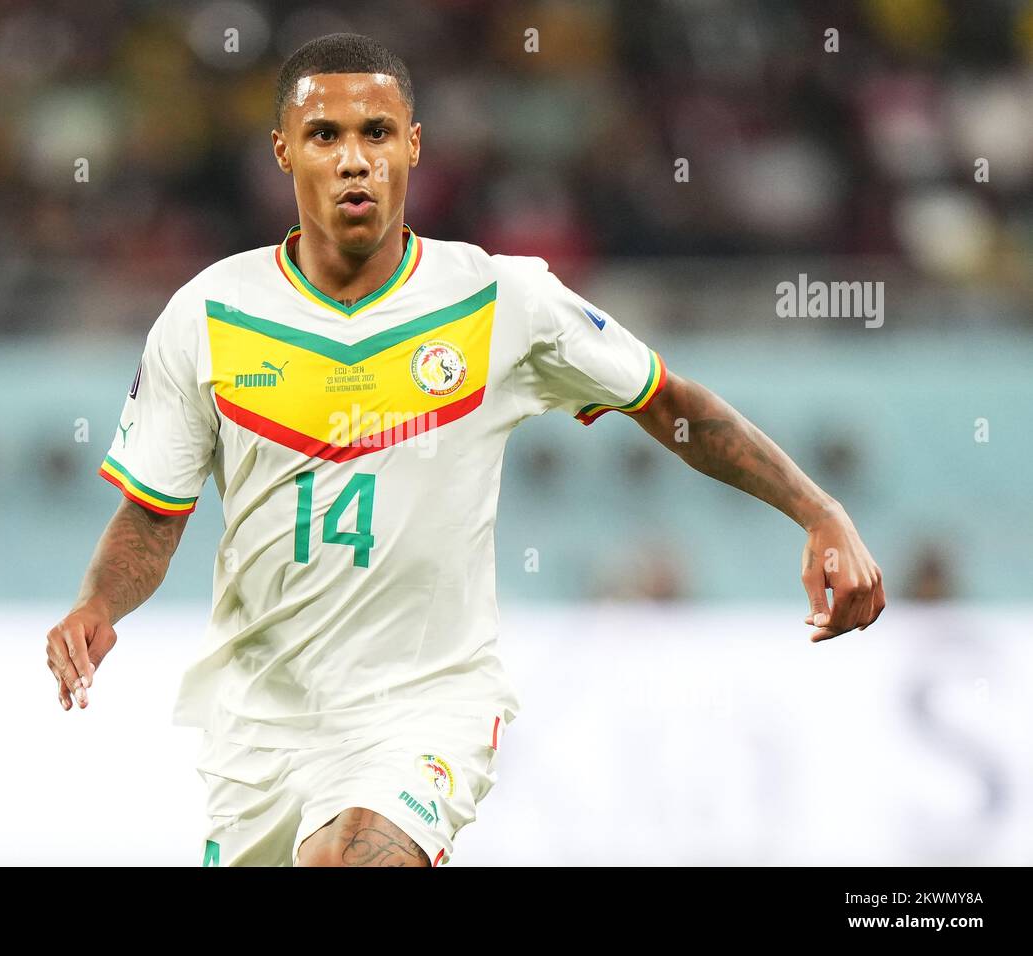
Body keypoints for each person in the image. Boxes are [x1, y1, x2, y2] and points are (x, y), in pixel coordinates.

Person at [44, 33, 886, 867]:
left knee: (351, 859)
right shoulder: (208, 315)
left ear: (412, 145)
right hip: (262, 727)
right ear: (283, 152)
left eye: (376, 133)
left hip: (426, 702)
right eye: (324, 136)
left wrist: (818, 509)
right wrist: (96, 607)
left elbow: (670, 405)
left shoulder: (499, 300)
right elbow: (153, 512)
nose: (353, 159)